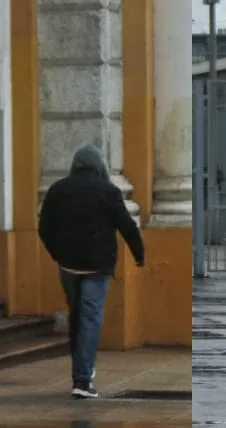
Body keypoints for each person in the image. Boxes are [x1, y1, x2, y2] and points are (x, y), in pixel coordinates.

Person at [39, 144, 145, 399]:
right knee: (90, 320)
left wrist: (57, 254)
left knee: (77, 318)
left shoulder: (58, 190)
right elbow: (127, 226)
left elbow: (44, 228)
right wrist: (139, 255)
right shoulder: (108, 191)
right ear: (99, 165)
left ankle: (81, 373)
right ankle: (83, 380)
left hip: (68, 266)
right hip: (96, 267)